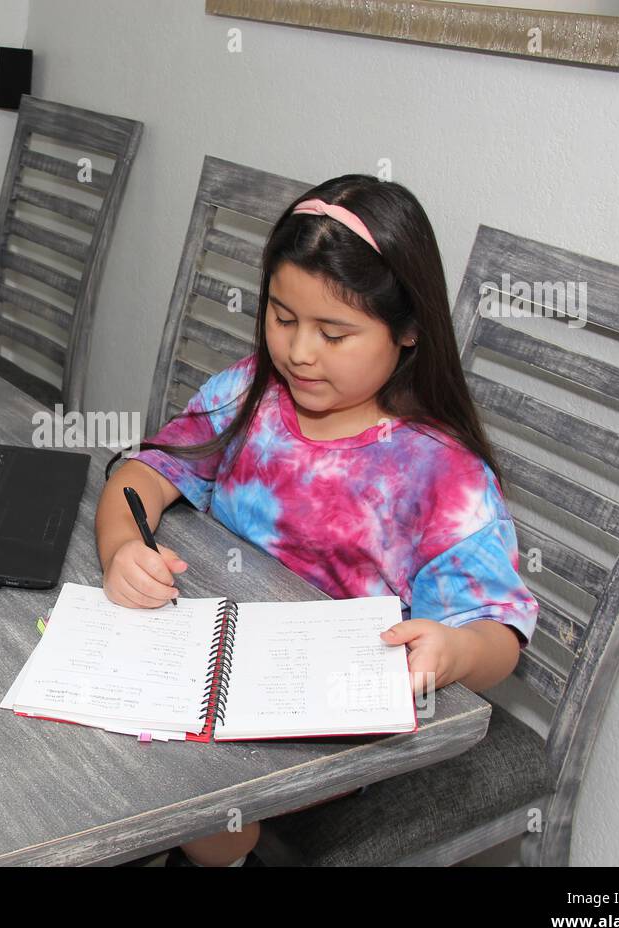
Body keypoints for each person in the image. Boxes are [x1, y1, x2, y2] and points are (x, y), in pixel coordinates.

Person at [96, 175, 540, 866]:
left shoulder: (439, 473)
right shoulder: (249, 393)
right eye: (282, 317)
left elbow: (500, 634)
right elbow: (142, 473)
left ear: (410, 329)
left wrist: (454, 652)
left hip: (329, 722)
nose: (300, 351)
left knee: (198, 802)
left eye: (334, 333)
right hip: (207, 667)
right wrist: (123, 546)